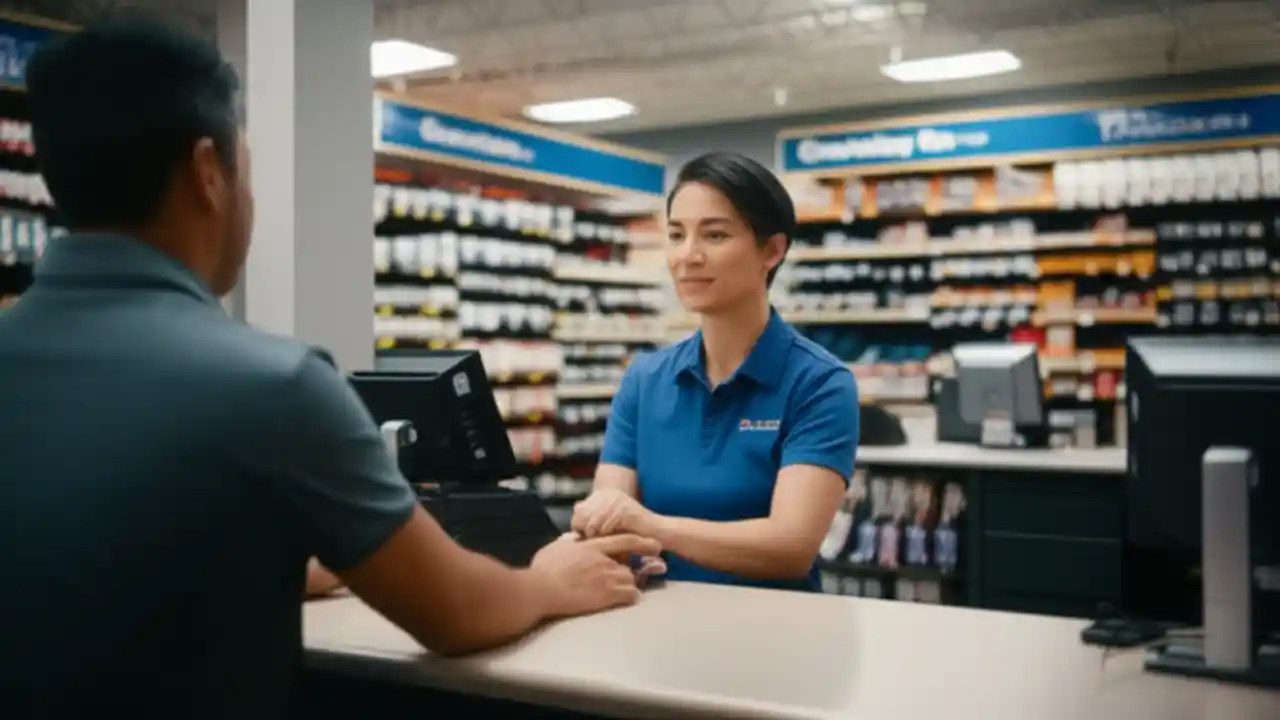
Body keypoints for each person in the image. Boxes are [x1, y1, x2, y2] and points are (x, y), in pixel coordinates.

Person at [0, 16, 659, 716]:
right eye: (247, 168)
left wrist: (283, 568)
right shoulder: (271, 386)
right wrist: (547, 583)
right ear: (208, 174)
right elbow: (455, 612)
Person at [572, 152, 860, 591]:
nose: (687, 255)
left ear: (772, 250)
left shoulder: (819, 383)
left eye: (715, 235)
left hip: (777, 627)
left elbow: (790, 548)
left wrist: (652, 526)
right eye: (676, 234)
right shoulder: (644, 379)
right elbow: (610, 518)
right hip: (653, 621)